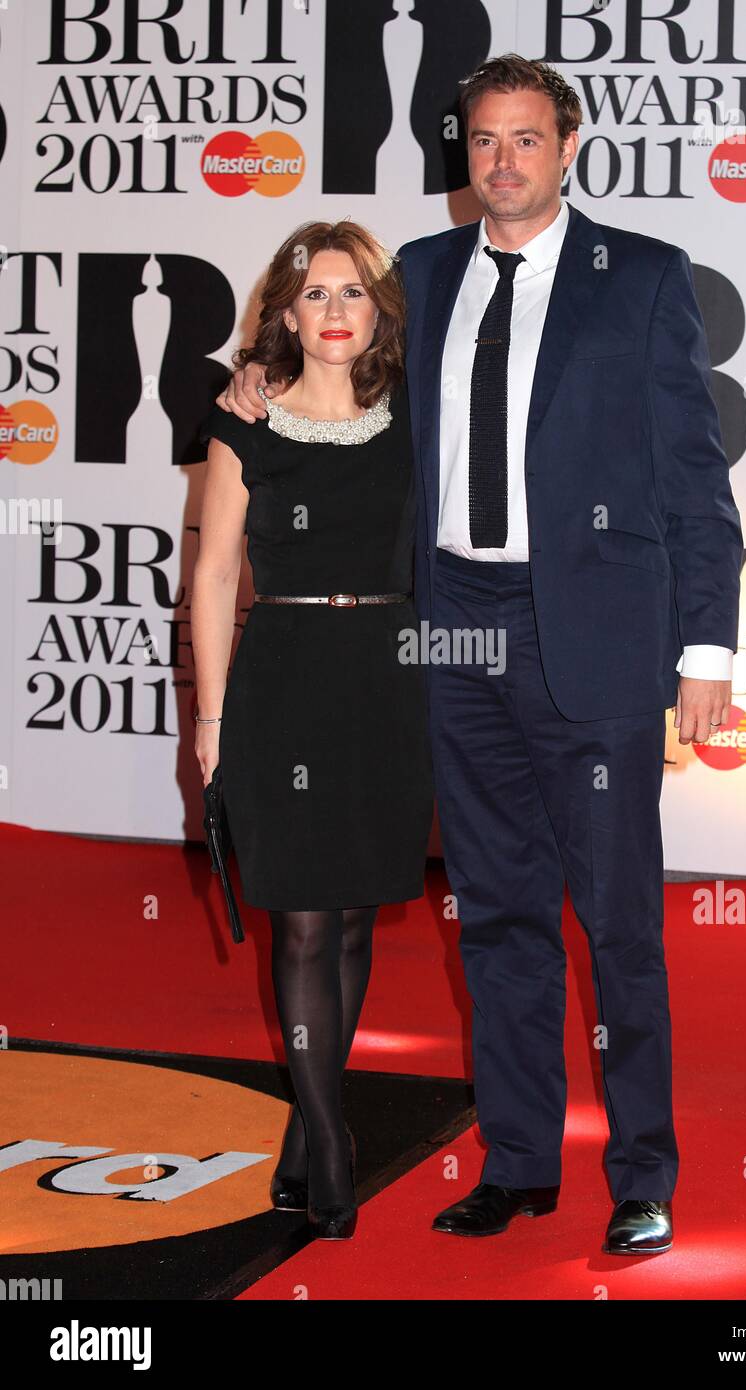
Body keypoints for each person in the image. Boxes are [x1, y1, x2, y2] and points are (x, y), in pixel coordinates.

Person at [217, 55, 743, 1256]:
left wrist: (706, 647)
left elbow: (696, 486)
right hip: (449, 636)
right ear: (464, 151)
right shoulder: (422, 276)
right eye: (482, 141)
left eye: (524, 139)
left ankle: (642, 1173)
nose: (500, 162)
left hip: (600, 642)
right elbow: (336, 392)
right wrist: (254, 376)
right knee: (497, 915)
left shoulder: (644, 281)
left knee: (616, 925)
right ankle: (517, 1160)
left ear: (568, 147)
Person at [191, 219, 433, 1241]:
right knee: (299, 920)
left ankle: (308, 1125)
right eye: (315, 294)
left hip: (388, 684)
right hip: (282, 683)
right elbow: (210, 576)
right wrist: (207, 717)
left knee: (351, 918)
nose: (335, 312)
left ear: (377, 308)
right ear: (285, 312)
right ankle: (332, 1141)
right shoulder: (244, 421)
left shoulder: (413, 414)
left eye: (352, 292)